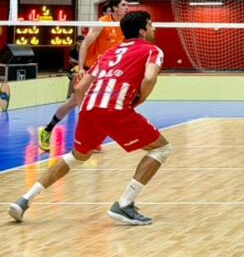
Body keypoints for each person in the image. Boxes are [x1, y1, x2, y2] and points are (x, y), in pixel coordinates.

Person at [10, 12, 172, 225]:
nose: (155, 29)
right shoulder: (152, 50)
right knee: (161, 148)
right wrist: (138, 101)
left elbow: (80, 87)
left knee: (77, 157)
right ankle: (124, 204)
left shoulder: (110, 52)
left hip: (89, 108)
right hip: (115, 108)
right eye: (151, 25)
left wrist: (90, 106)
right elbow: (150, 77)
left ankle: (24, 200)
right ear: (142, 31)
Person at [38, 0, 130, 152]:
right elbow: (85, 44)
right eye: (124, 5)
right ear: (115, 8)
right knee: (74, 103)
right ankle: (47, 131)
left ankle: (90, 139)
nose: (127, 7)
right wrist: (80, 68)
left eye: (127, 5)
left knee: (100, 105)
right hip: (89, 69)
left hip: (106, 72)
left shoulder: (125, 25)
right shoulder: (102, 22)